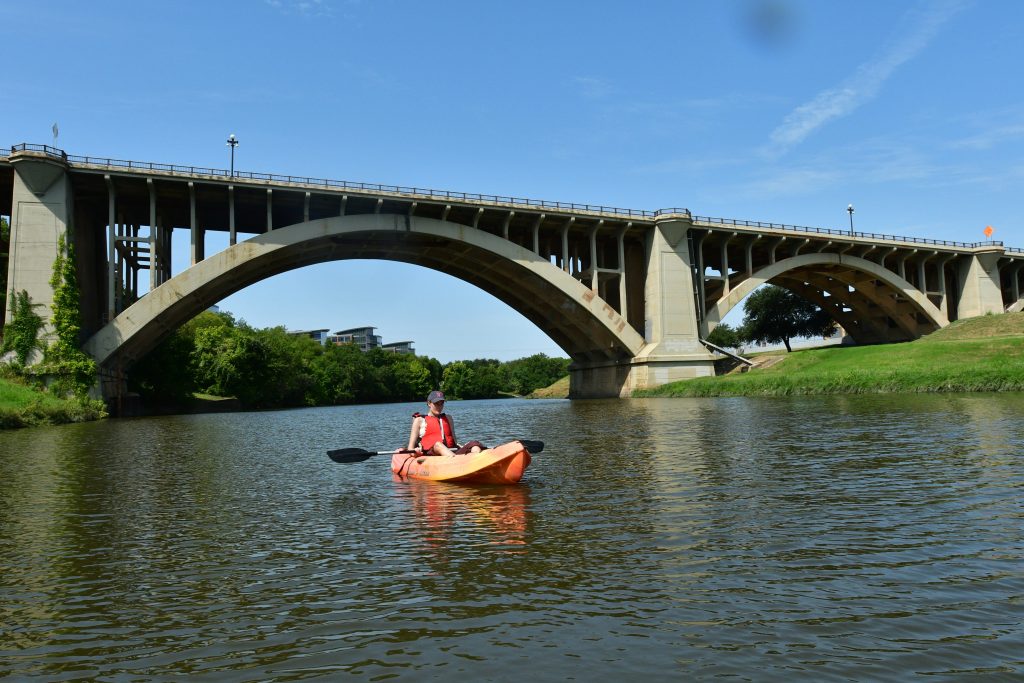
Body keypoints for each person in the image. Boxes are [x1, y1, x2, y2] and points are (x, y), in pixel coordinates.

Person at [408, 390, 486, 457]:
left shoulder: (448, 418)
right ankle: (458, 462)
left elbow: (454, 440)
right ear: (429, 403)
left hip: (450, 452)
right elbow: (410, 448)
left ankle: (475, 461)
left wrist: (463, 447)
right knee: (438, 445)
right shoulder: (419, 420)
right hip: (432, 453)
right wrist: (416, 452)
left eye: (441, 403)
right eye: (436, 403)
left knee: (475, 444)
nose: (439, 406)